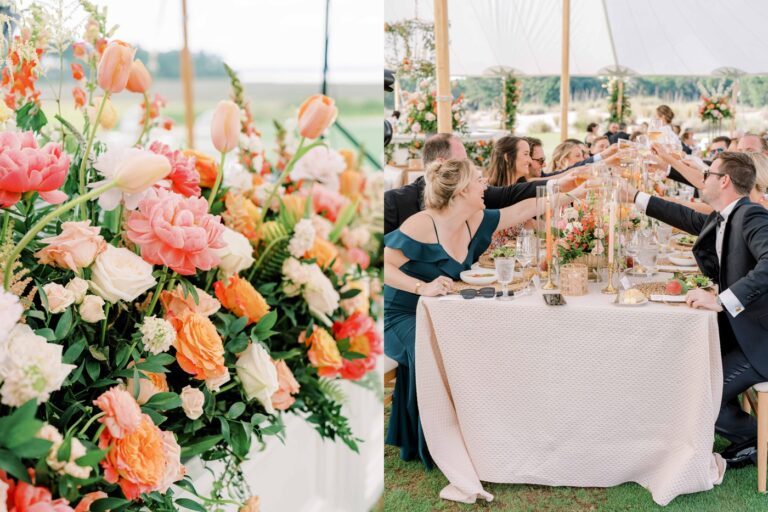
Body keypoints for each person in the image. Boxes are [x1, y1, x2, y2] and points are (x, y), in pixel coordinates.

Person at [384, 158, 584, 468]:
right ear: (462, 190)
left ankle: (482, 434)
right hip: (401, 314)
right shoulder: (423, 223)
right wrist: (419, 288)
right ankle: (439, 442)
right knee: (432, 351)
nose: (485, 185)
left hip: (440, 312)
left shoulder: (472, 220)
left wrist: (578, 192)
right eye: (479, 180)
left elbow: (521, 210)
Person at [625, 152, 768, 468]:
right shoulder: (727, 215)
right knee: (687, 376)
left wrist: (721, 299)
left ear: (725, 181)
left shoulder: (752, 216)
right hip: (740, 335)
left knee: (698, 397)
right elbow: (686, 217)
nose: (704, 180)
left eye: (709, 175)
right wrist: (636, 197)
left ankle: (756, 439)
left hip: (759, 343)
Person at [384, 133, 546, 234]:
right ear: (442, 163)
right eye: (463, 162)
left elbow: (511, 195)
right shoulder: (392, 202)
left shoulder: (470, 192)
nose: (468, 167)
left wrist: (559, 183)